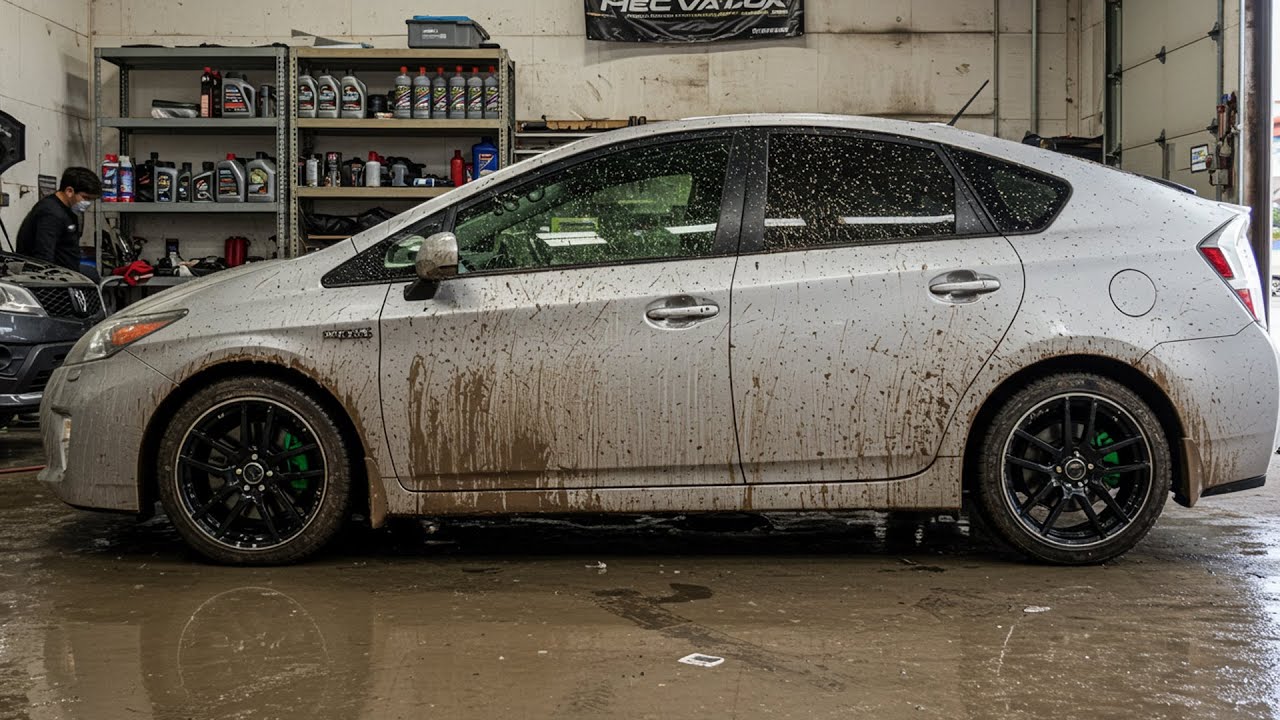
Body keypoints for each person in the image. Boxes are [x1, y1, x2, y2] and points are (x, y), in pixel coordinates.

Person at [15, 167, 101, 275]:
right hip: (53, 279)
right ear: (69, 191)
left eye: (91, 200)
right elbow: (43, 256)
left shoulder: (67, 210)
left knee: (92, 273)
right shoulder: (51, 213)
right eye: (86, 198)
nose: (88, 203)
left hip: (68, 273)